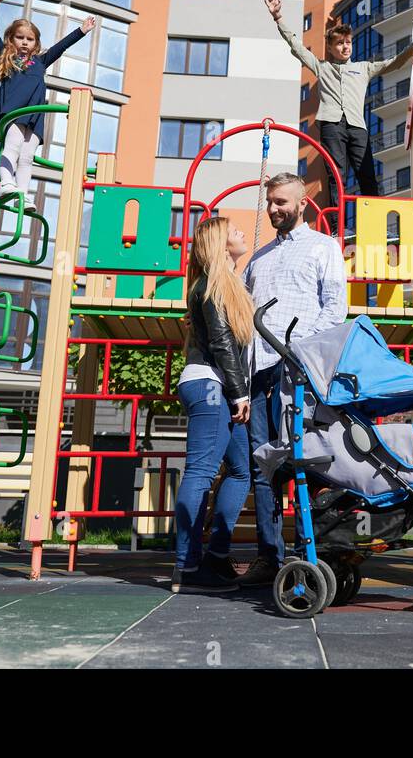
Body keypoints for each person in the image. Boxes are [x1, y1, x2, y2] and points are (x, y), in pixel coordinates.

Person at [232, 172, 347, 587]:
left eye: (282, 202)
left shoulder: (324, 248)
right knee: (265, 466)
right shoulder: (258, 258)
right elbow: (242, 317)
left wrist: (299, 350)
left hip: (299, 372)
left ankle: (310, 553)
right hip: (258, 371)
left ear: (302, 204)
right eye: (270, 202)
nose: (274, 208)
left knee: (307, 462)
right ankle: (269, 555)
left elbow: (336, 309)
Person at [172, 216, 254, 594]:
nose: (240, 232)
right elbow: (221, 344)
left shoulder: (229, 285)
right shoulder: (210, 288)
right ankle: (187, 566)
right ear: (221, 245)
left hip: (219, 386)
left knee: (241, 470)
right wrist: (240, 393)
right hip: (209, 384)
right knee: (201, 472)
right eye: (232, 230)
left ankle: (216, 556)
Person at [265, 0, 411, 198]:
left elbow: (393, 62)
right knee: (336, 176)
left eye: (348, 43)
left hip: (357, 126)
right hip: (331, 125)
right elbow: (297, 46)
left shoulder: (364, 67)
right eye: (340, 44)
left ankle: (375, 224)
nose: (346, 47)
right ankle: (336, 228)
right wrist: (278, 18)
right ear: (331, 48)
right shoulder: (322, 67)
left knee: (367, 174)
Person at [0, 0, 96, 213]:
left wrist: (81, 30)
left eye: (29, 39)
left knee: (27, 157)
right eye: (20, 38)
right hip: (13, 111)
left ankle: (22, 196)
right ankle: (6, 183)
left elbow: (60, 47)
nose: (24, 42)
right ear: (11, 40)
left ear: (35, 43)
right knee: (13, 147)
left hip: (34, 116)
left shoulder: (41, 62)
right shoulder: (7, 58)